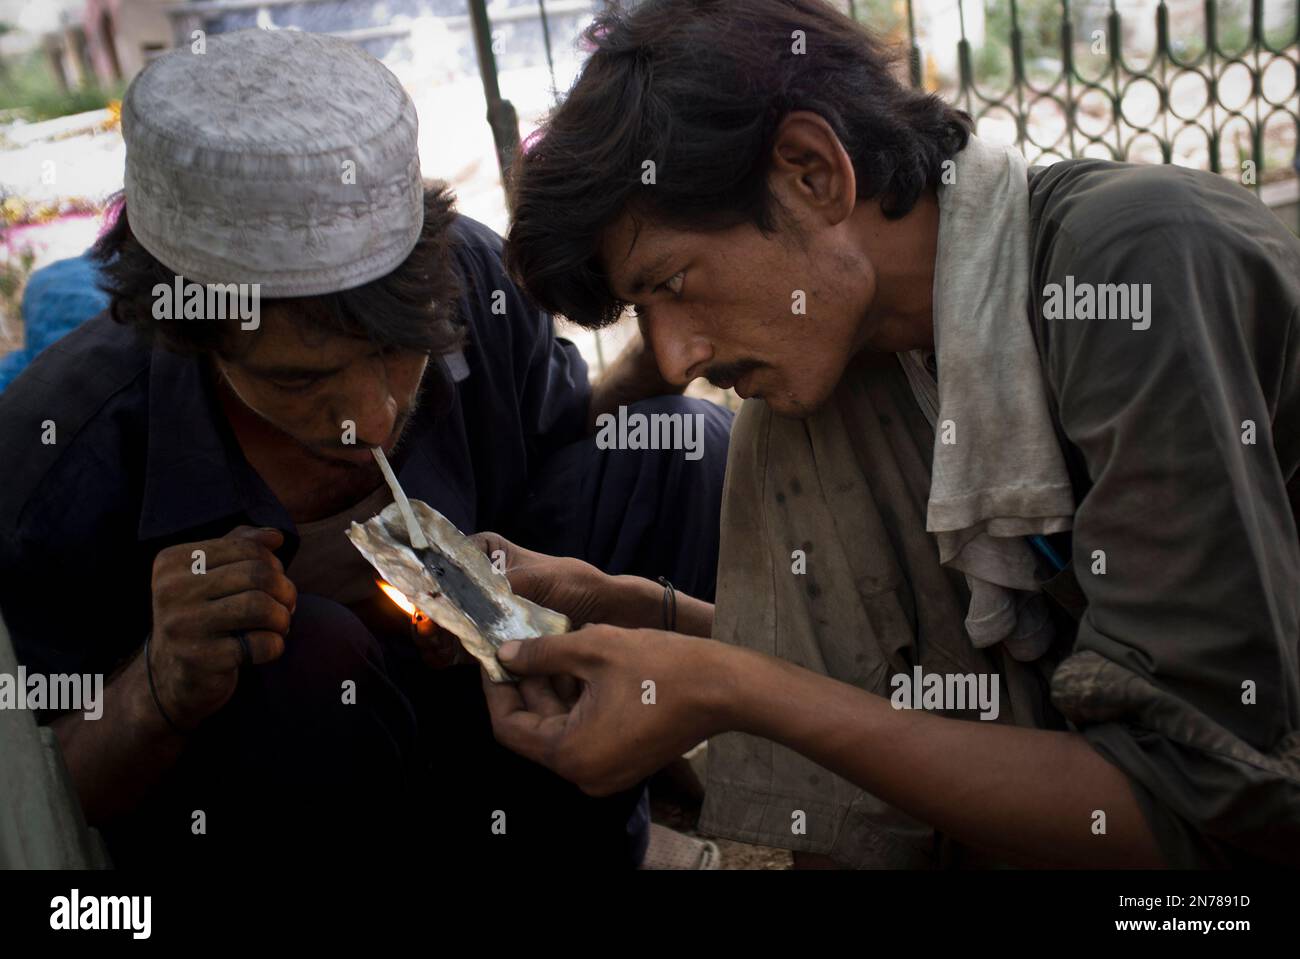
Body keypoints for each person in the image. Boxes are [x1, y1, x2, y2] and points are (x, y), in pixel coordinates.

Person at [477, 0, 1300, 868]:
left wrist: (731, 686)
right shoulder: (871, 354)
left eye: (675, 283)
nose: (677, 358)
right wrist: (653, 614)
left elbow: (1198, 811)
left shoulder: (1135, 269)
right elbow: (916, 694)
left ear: (812, 173)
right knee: (790, 413)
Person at [0, 28, 732, 868]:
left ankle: (592, 840)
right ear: (189, 336)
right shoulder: (56, 460)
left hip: (496, 746)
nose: (374, 420)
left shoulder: (473, 286)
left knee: (680, 449)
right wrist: (157, 690)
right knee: (300, 656)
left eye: (397, 354)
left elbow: (564, 451)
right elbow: (36, 814)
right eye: (301, 382)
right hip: (284, 806)